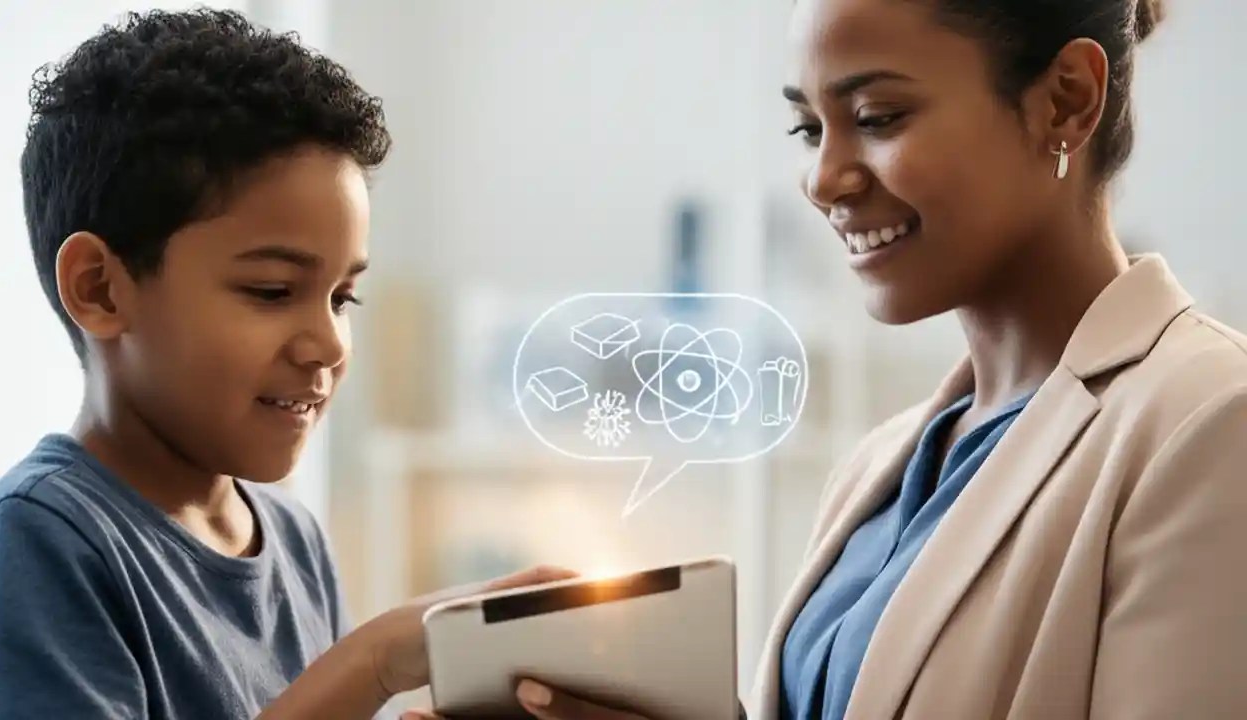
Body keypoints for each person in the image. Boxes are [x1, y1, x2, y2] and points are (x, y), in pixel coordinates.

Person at [408, 0, 1247, 718]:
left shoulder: (1207, 425)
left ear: (1066, 101)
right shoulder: (881, 467)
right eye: (810, 128)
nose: (822, 178)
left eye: (877, 118)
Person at [0, 9, 574, 719]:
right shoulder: (41, 538)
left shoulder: (293, 538)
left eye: (343, 297)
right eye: (273, 291)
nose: (329, 343)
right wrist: (371, 662)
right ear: (100, 288)